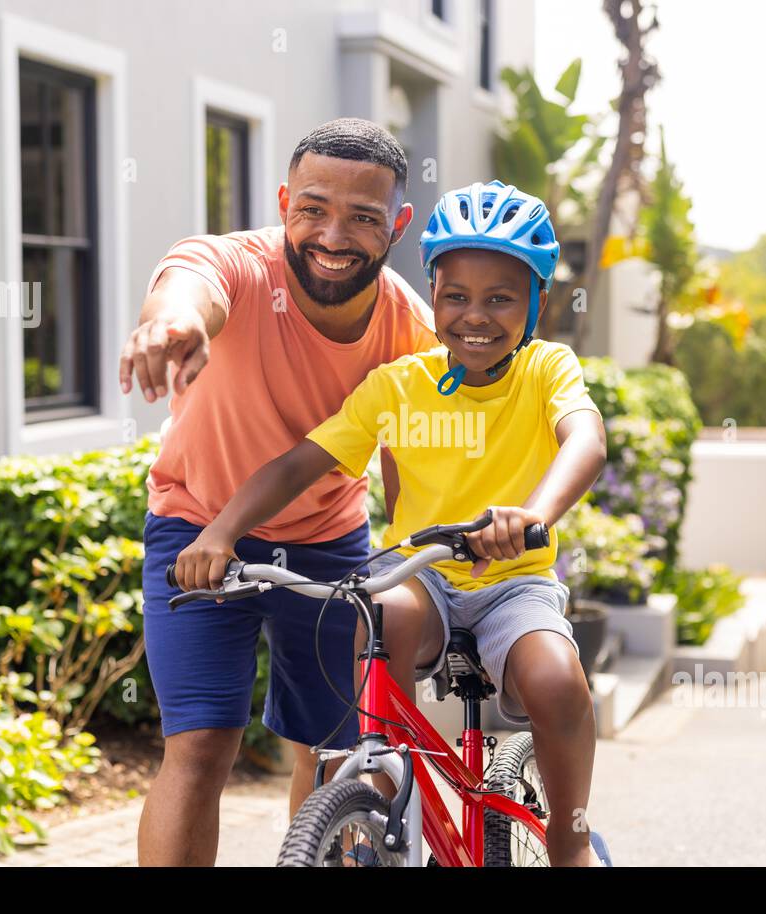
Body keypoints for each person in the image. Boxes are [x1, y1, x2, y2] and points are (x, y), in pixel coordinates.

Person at [172, 181, 611, 865]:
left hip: (514, 581)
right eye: (457, 295)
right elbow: (296, 464)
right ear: (431, 293)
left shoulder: (544, 368)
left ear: (537, 304)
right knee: (379, 608)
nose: (476, 315)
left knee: (555, 681)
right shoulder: (398, 383)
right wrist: (219, 531)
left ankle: (569, 837)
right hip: (422, 574)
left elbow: (585, 438)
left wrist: (534, 515)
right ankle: (380, 781)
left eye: (501, 298)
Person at [119, 118, 439, 866]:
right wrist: (172, 325)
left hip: (330, 543)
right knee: (198, 747)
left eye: (363, 218)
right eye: (313, 209)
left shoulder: (409, 329)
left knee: (332, 757)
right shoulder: (235, 264)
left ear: (396, 225)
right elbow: (188, 290)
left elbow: (410, 476)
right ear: (283, 200)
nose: (334, 235)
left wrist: (427, 573)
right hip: (196, 527)